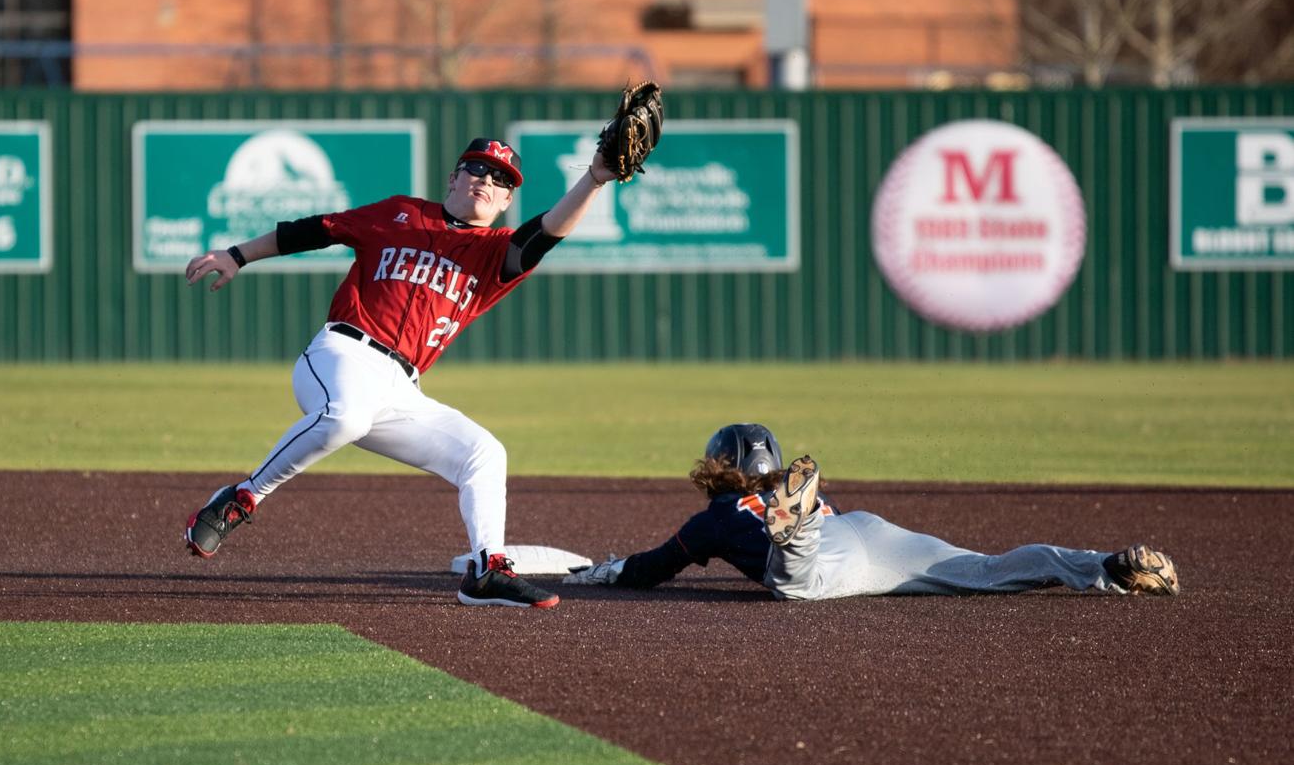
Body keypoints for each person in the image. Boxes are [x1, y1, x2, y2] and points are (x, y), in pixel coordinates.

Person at [184, 136, 621, 609]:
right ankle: (243, 496)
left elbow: (548, 231)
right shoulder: (399, 213)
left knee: (484, 452)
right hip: (341, 353)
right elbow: (313, 230)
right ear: (453, 178)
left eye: (501, 179)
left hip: (401, 387)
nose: (486, 180)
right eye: (477, 169)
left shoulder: (496, 254)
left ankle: (486, 570)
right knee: (347, 416)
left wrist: (595, 178)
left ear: (506, 201)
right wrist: (237, 255)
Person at [564, 423, 1180, 599]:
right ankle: (1105, 565)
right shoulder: (751, 500)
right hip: (865, 528)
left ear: (717, 464)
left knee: (793, 583)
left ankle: (796, 529)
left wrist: (602, 571)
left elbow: (653, 567)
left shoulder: (716, 517)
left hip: (823, 555)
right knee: (987, 569)